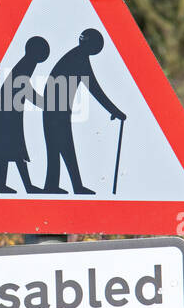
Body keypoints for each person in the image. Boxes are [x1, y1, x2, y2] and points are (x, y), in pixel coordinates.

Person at [41, 28, 125, 194]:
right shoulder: (79, 59)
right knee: (65, 148)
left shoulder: (74, 56)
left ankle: (55, 185)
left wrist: (115, 111)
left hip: (54, 111)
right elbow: (95, 89)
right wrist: (115, 111)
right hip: (57, 112)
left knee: (59, 149)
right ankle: (73, 187)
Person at [0, 35, 50, 193]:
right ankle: (23, 187)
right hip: (7, 116)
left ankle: (7, 186)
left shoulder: (27, 62)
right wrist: (46, 104)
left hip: (8, 114)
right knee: (14, 150)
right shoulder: (27, 64)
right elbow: (24, 87)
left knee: (11, 151)